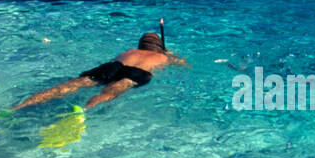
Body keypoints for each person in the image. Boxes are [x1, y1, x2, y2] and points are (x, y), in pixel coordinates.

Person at [13, 32, 187, 112]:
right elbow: (185, 65)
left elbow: (116, 59)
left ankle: (21, 106)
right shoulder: (163, 57)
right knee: (110, 92)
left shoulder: (129, 51)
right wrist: (170, 55)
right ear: (159, 48)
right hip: (137, 72)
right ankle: (84, 110)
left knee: (73, 84)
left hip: (113, 66)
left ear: (140, 45)